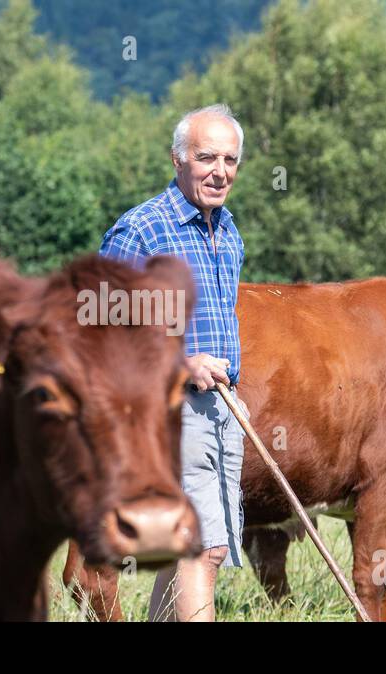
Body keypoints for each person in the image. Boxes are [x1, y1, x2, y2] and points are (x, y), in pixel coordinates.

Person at [99, 104, 246, 622]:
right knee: (199, 547)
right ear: (178, 160)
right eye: (206, 157)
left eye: (230, 160)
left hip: (221, 409)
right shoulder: (142, 231)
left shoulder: (227, 232)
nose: (219, 171)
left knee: (204, 548)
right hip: (165, 410)